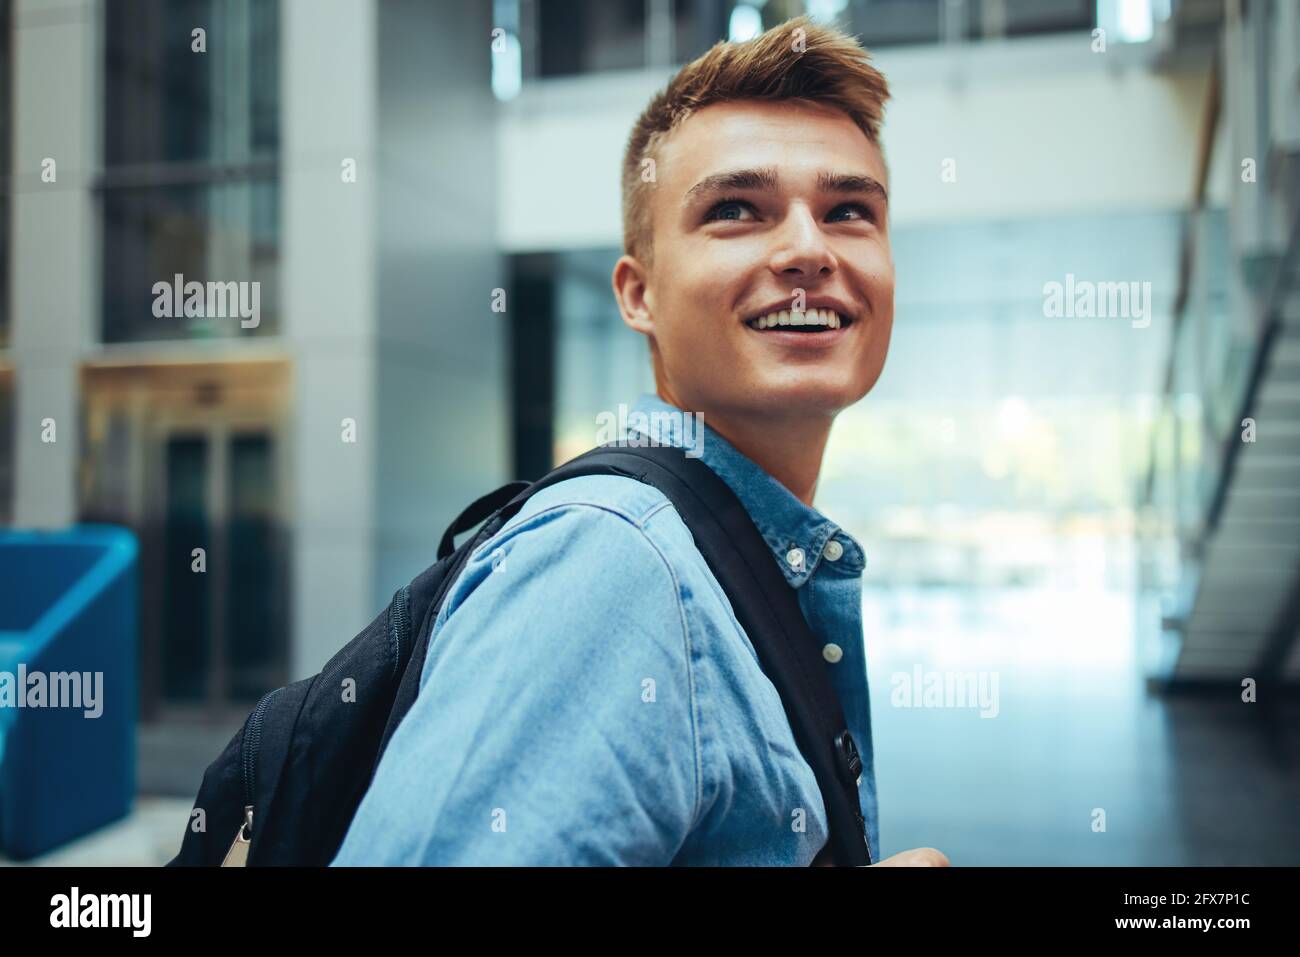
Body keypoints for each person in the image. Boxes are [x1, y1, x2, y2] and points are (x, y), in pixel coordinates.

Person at [333, 15, 948, 867]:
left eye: (849, 210)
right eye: (736, 209)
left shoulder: (719, 557)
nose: (809, 248)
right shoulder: (614, 564)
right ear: (639, 293)